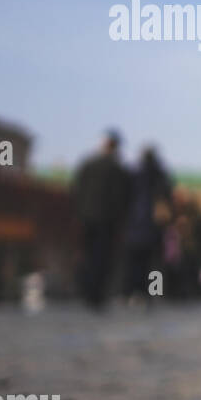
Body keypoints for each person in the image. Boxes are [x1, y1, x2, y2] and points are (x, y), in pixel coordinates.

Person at [72, 130, 131, 309]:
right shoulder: (118, 169)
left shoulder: (89, 164)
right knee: (102, 258)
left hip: (89, 218)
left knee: (90, 256)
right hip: (107, 221)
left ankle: (88, 293)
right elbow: (125, 198)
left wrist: (80, 213)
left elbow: (76, 190)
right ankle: (96, 294)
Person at [123, 146, 173, 300]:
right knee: (153, 263)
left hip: (135, 224)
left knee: (134, 262)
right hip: (154, 226)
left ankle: (132, 292)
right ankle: (154, 292)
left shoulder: (135, 175)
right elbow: (167, 200)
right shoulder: (161, 176)